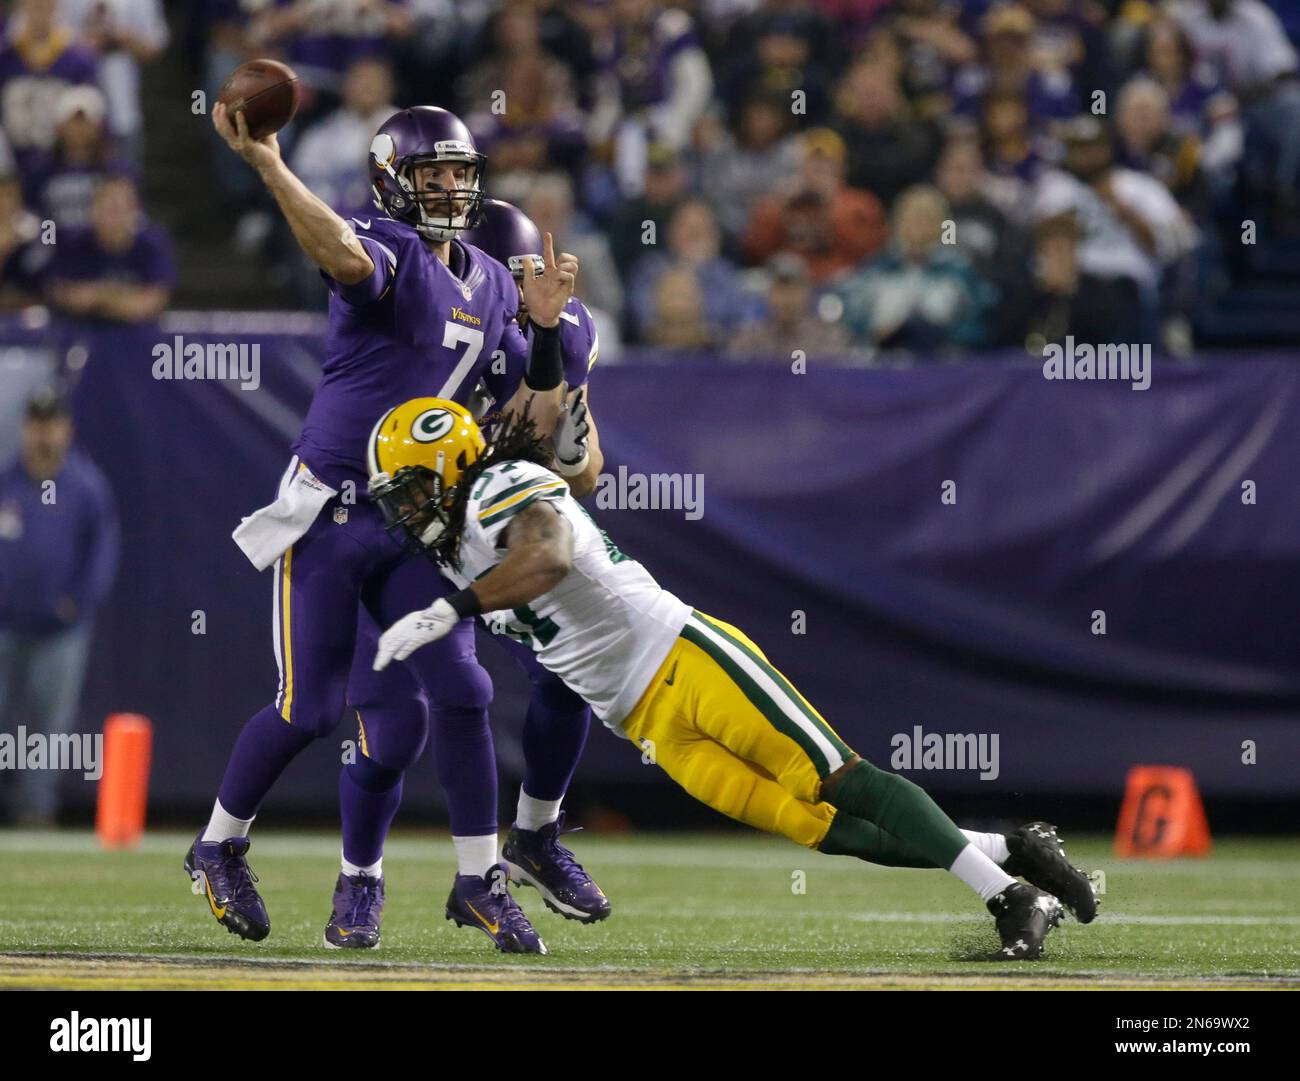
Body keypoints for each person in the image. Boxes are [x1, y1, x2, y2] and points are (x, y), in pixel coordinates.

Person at [367, 399, 1099, 961]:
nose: (403, 511)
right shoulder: (458, 547)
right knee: (817, 828)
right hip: (645, 721)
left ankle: (1007, 897)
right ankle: (1014, 849)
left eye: (407, 491)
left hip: (688, 657)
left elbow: (548, 557)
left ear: (451, 467)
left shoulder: (501, 486)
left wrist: (453, 608)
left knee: (838, 778)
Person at [183, 103, 570, 955]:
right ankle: (216, 842)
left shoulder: (493, 277)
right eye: (431, 173)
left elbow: (522, 389)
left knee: (465, 692)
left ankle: (478, 880)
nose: (448, 188)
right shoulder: (380, 242)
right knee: (310, 707)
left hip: (413, 524)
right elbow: (345, 257)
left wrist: (545, 333)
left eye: (459, 174)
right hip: (330, 510)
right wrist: (272, 168)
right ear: (395, 178)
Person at [329, 198, 610, 949]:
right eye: (510, 277)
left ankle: (535, 835)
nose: (521, 292)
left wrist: (571, 443)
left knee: (569, 670)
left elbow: (583, 474)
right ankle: (360, 875)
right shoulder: (421, 316)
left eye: (527, 278)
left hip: (497, 532)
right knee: (394, 729)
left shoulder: (555, 330)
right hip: (411, 533)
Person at [0, 392, 118, 827]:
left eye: (52, 424)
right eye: (37, 424)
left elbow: (102, 555)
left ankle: (35, 808)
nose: (44, 434)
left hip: (59, 630)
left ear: (65, 429)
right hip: (5, 624)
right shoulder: (7, 480)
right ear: (25, 428)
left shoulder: (86, 488)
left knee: (50, 727)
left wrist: (76, 603)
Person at [44, 175, 173, 324]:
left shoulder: (152, 244)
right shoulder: (71, 242)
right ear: (92, 210)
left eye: (117, 209)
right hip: (79, 333)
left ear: (135, 211)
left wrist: (100, 296)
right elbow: (61, 295)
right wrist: (122, 300)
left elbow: (152, 302)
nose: (111, 217)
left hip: (137, 336)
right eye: (104, 207)